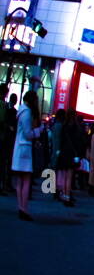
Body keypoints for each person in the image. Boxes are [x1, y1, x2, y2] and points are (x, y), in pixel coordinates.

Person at [11, 91, 43, 220]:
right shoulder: (27, 113)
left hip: (19, 148)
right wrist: (38, 131)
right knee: (26, 180)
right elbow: (28, 133)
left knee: (20, 180)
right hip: (25, 148)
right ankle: (24, 208)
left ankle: (21, 207)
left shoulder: (21, 111)